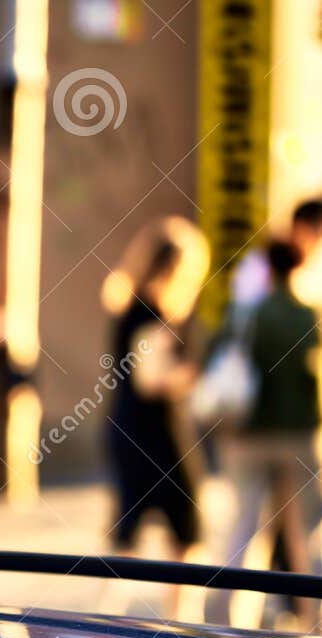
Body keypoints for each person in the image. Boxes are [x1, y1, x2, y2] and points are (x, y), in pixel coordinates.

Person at [101, 218, 211, 617]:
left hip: (129, 428)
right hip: (158, 433)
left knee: (131, 525)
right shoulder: (151, 313)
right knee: (186, 526)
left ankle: (106, 618)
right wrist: (194, 375)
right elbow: (151, 380)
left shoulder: (129, 306)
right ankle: (182, 619)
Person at [218, 240, 322, 627]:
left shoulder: (244, 316)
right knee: (307, 537)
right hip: (300, 435)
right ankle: (321, 626)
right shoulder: (311, 315)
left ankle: (228, 623)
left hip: (247, 435)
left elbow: (213, 359)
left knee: (245, 530)